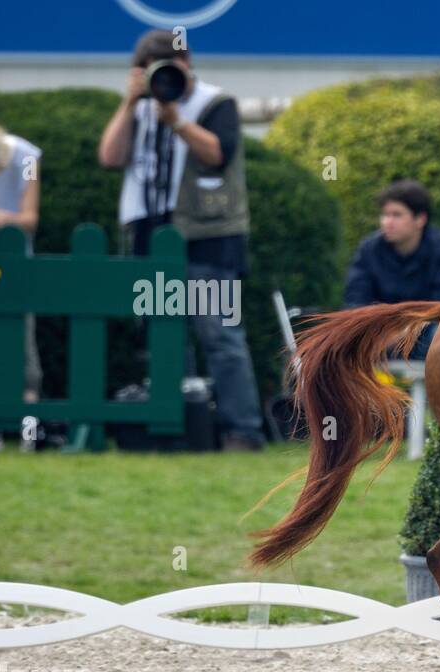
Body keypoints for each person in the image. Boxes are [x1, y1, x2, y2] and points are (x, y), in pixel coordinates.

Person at [97, 29, 264, 451]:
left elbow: (218, 154)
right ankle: (178, 426)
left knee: (220, 336)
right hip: (151, 236)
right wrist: (130, 101)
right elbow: (110, 157)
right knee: (164, 336)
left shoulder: (214, 102)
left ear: (189, 64)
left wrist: (177, 120)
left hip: (208, 235)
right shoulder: (139, 107)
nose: (167, 75)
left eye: (174, 65)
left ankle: (241, 430)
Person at [343, 179, 440, 360]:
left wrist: (409, 330)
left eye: (397, 215)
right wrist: (379, 332)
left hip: (425, 335)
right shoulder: (369, 249)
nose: (387, 222)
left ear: (420, 219)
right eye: (385, 215)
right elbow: (355, 301)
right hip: (376, 336)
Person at [0, 118, 43, 403]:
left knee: (22, 342)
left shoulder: (27, 158)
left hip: (14, 263)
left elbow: (30, 219)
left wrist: (6, 218)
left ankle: (28, 419)